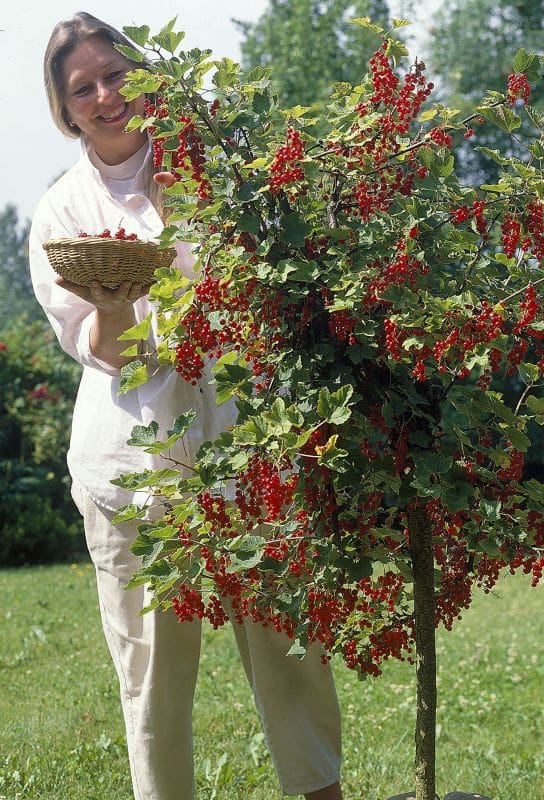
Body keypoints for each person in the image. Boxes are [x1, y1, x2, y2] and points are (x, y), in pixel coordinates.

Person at [29, 12, 344, 800]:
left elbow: (278, 287)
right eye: (83, 88)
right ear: (65, 110)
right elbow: (112, 356)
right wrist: (113, 305)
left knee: (293, 655)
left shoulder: (216, 169)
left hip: (250, 449)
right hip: (136, 469)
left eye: (116, 74)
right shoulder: (63, 213)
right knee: (154, 681)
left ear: (145, 76)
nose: (106, 96)